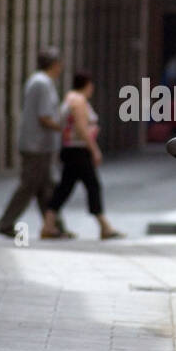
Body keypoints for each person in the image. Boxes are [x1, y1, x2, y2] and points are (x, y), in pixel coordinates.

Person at [0, 47, 73, 241]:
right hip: (36, 145)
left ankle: (53, 226)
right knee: (29, 185)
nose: (61, 67)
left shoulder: (41, 82)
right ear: (54, 64)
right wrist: (63, 128)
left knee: (46, 188)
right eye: (60, 63)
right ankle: (5, 223)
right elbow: (44, 117)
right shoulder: (42, 83)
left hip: (41, 145)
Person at [47, 72, 124, 240]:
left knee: (65, 188)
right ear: (87, 85)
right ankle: (104, 226)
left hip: (71, 149)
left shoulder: (69, 98)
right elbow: (81, 128)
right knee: (92, 186)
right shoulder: (79, 101)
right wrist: (94, 149)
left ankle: (48, 224)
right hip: (79, 150)